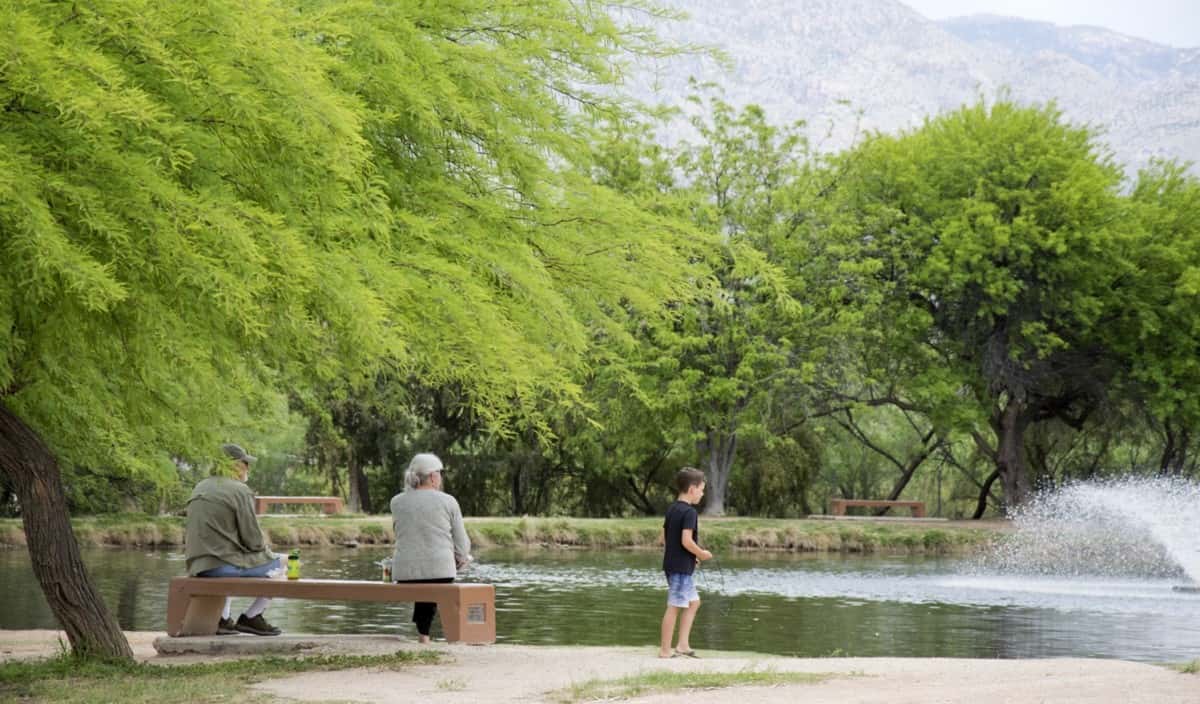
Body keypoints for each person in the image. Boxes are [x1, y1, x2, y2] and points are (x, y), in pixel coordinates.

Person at [185, 443, 283, 636]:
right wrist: (266, 551)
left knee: (231, 558)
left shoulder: (200, 486)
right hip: (221, 565)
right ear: (237, 465)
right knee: (284, 563)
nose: (248, 468)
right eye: (246, 463)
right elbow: (253, 541)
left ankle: (224, 619)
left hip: (197, 565)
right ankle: (252, 617)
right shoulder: (239, 490)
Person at [389, 452, 471, 643]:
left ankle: (423, 635)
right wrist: (462, 558)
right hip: (440, 571)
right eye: (440, 474)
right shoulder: (448, 501)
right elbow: (462, 544)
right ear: (433, 477)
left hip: (404, 573)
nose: (441, 478)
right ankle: (427, 635)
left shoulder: (396, 502)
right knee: (436, 573)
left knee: (425, 572)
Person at [659, 467, 712, 659]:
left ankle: (682, 645)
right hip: (680, 568)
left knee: (694, 603)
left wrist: (692, 556)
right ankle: (665, 650)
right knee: (674, 606)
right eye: (701, 489)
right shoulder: (690, 512)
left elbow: (663, 537)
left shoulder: (672, 508)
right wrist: (701, 553)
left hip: (674, 564)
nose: (702, 493)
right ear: (692, 489)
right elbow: (686, 541)